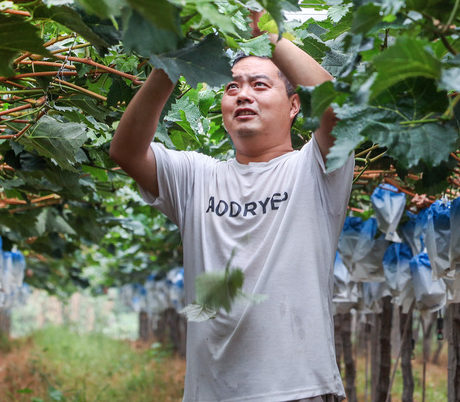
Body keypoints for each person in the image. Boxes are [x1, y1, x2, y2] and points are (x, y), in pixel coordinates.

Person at [109, 21, 355, 402]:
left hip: (298, 390)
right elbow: (125, 150)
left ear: (294, 105)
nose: (242, 95)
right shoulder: (196, 176)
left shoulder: (316, 169)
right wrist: (176, 60)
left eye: (259, 85)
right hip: (211, 393)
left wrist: (269, 34)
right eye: (232, 86)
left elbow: (338, 112)